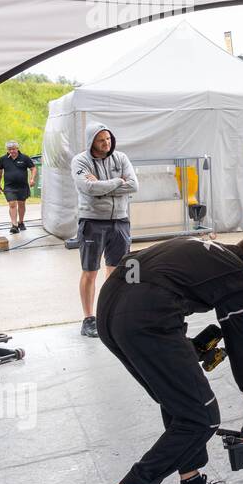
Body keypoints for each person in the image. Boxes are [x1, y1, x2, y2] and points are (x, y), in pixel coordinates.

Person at [74, 235, 243, 484]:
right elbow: (241, 348)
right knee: (203, 417)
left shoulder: (209, 250)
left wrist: (184, 347)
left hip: (113, 306)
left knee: (179, 405)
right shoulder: (240, 278)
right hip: (145, 313)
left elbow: (151, 272)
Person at [72, 123, 138, 338]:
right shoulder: (80, 161)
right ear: (92, 141)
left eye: (108, 139)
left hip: (120, 221)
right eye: (101, 140)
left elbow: (134, 186)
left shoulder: (121, 158)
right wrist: (119, 182)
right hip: (92, 222)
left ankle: (114, 313)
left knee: (119, 271)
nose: (106, 144)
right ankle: (88, 319)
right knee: (90, 271)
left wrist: (104, 184)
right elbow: (88, 188)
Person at [0, 140, 36, 234]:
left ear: (17, 148)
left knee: (21, 204)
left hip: (22, 186)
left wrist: (32, 179)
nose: (12, 151)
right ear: (7, 150)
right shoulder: (3, 159)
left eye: (13, 149)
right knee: (12, 204)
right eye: (10, 149)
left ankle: (21, 222)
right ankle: (14, 225)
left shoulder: (24, 158)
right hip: (9, 187)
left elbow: (33, 168)